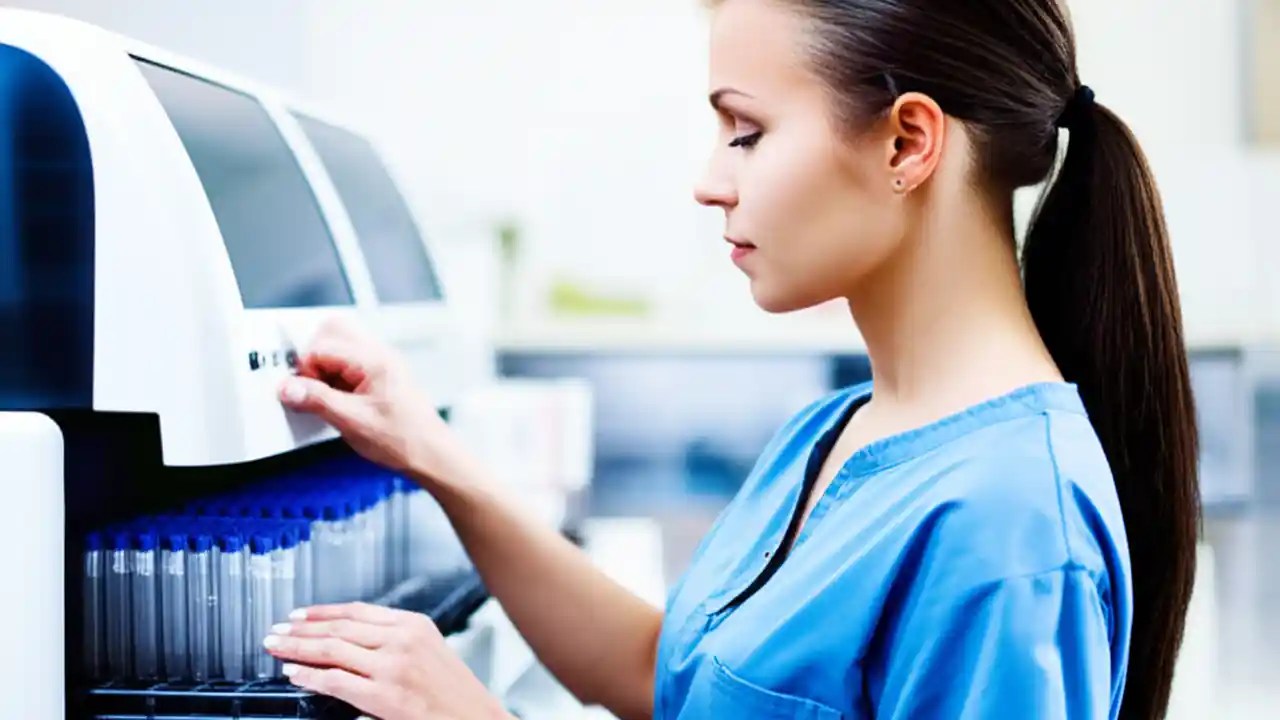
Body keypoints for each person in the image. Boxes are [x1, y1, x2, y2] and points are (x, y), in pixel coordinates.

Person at [264, 1, 1200, 718]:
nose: (710, 182)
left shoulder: (1010, 528)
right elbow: (665, 673)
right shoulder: (837, 430)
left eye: (746, 133)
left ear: (907, 142)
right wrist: (430, 451)